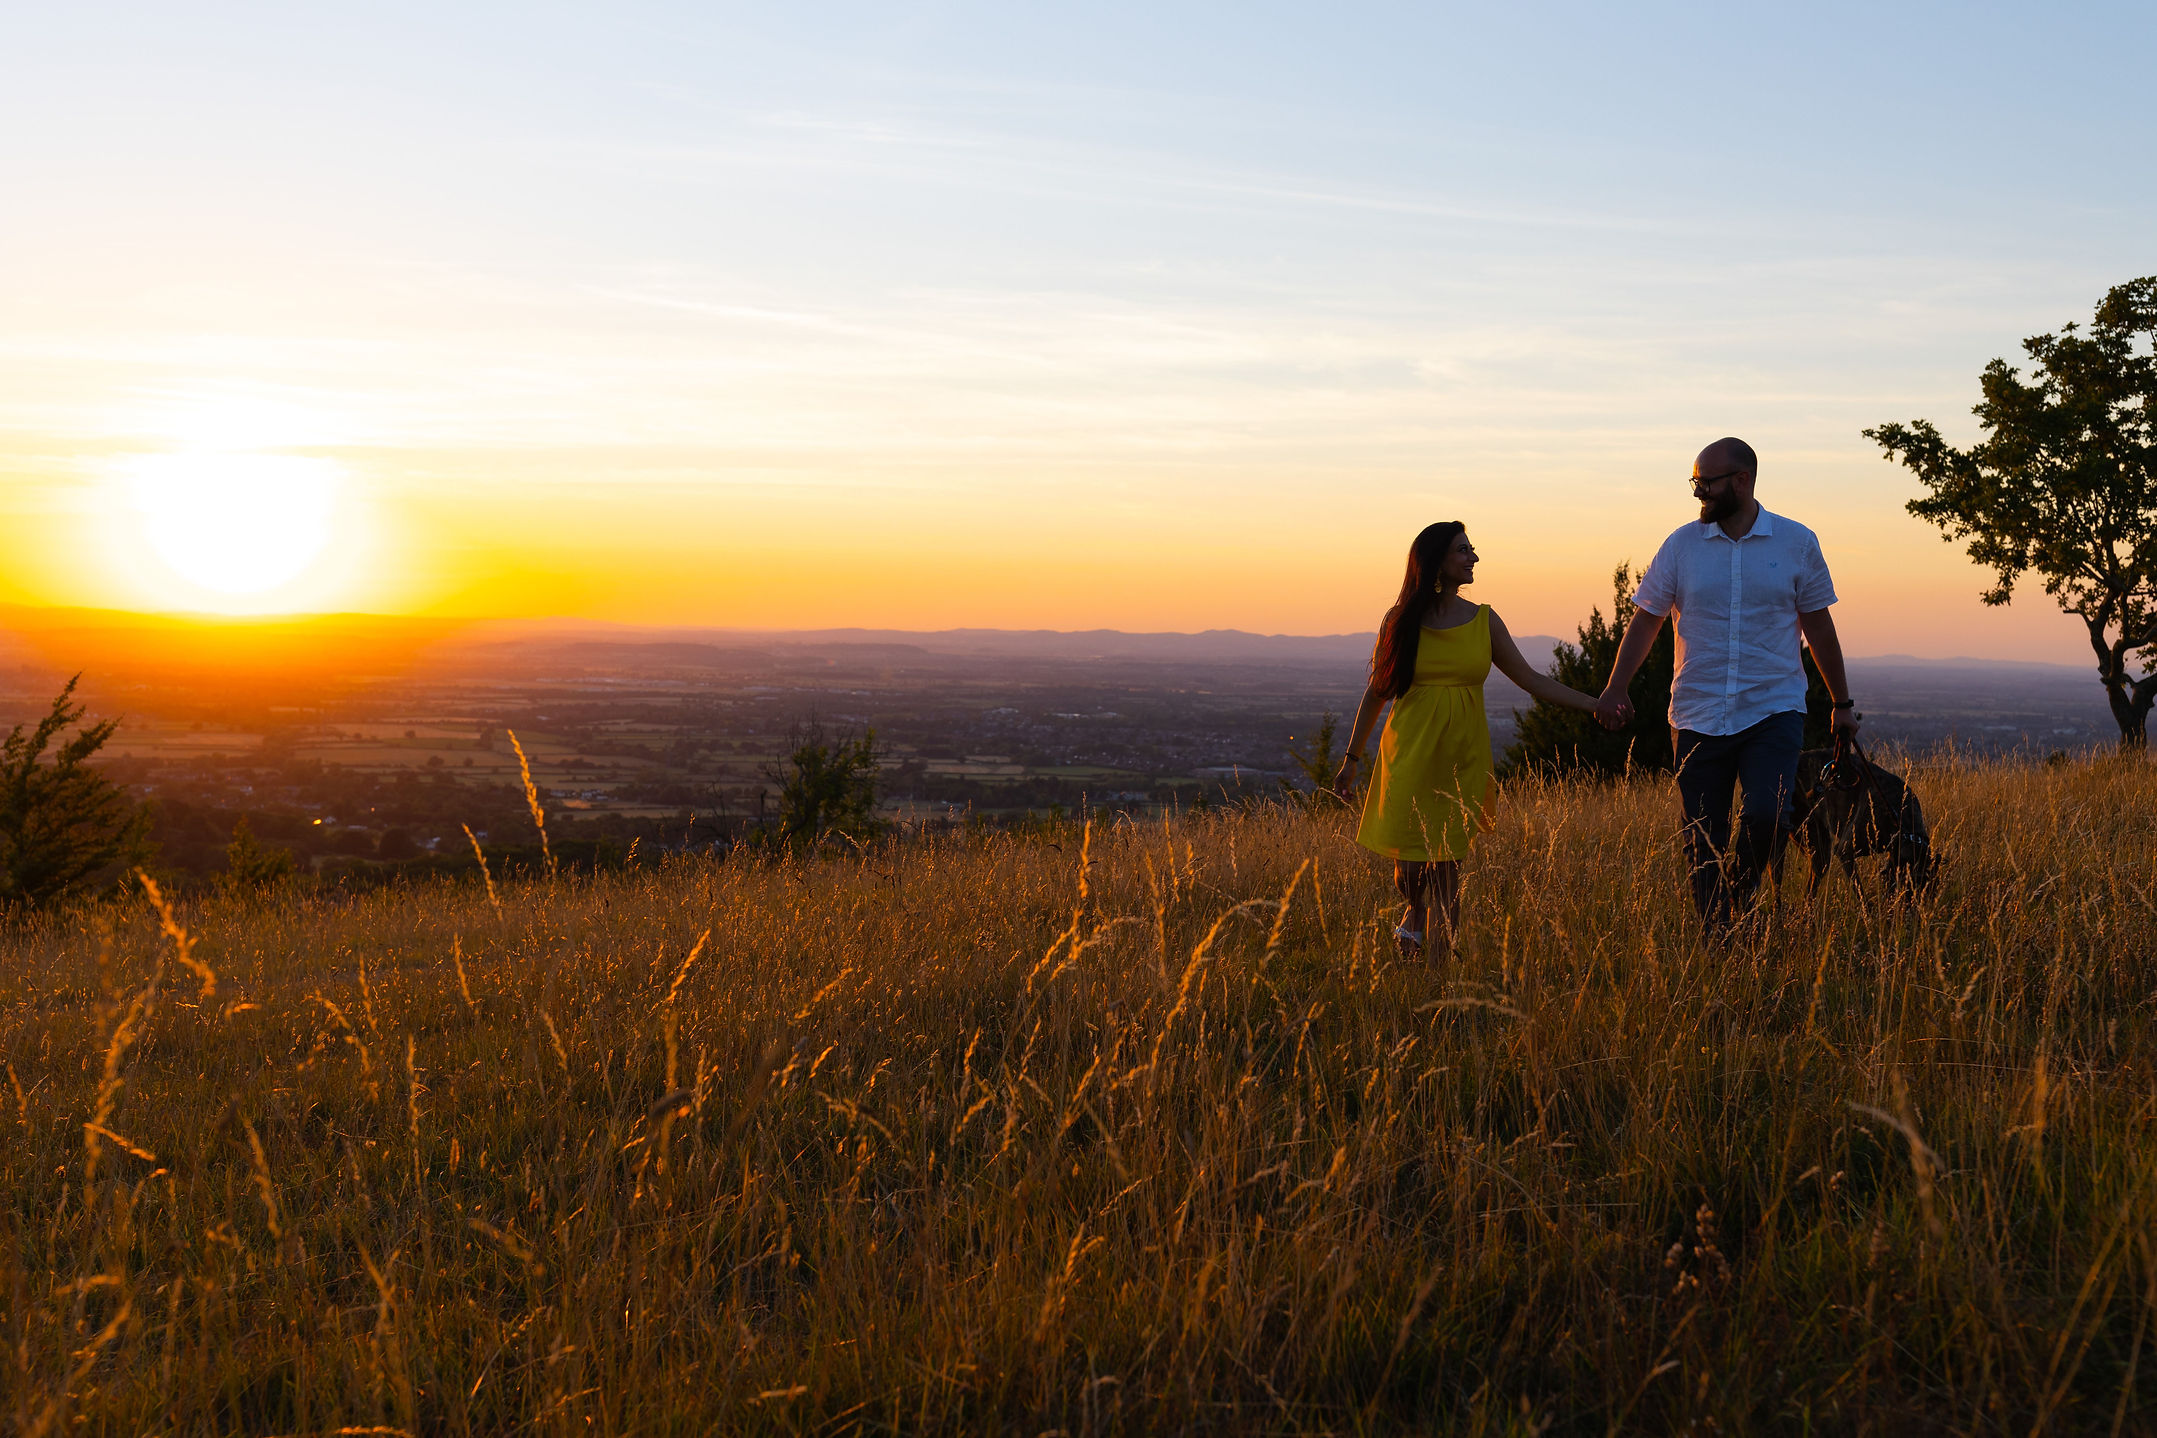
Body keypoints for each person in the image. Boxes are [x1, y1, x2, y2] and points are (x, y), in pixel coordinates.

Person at [1594, 437, 1861, 935]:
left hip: (1773, 710)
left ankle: (1738, 891)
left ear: (1742, 480)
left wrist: (1842, 703)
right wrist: (1616, 686)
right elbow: (1647, 620)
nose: (1699, 494)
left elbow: (1819, 626)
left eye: (1706, 483)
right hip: (1696, 715)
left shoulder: (1797, 543)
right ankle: (1718, 936)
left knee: (1767, 814)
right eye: (1695, 483)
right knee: (1701, 836)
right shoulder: (1680, 546)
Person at [1333, 521, 1601, 961]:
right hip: (1409, 756)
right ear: (1436, 561)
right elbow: (1377, 691)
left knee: (1447, 866)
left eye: (1471, 549)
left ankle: (1441, 963)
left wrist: (1596, 704)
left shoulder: (1484, 621)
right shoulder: (1401, 622)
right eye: (1463, 550)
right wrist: (1352, 758)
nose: (1473, 557)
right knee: (1411, 869)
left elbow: (1532, 679)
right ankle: (1414, 914)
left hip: (1462, 760)